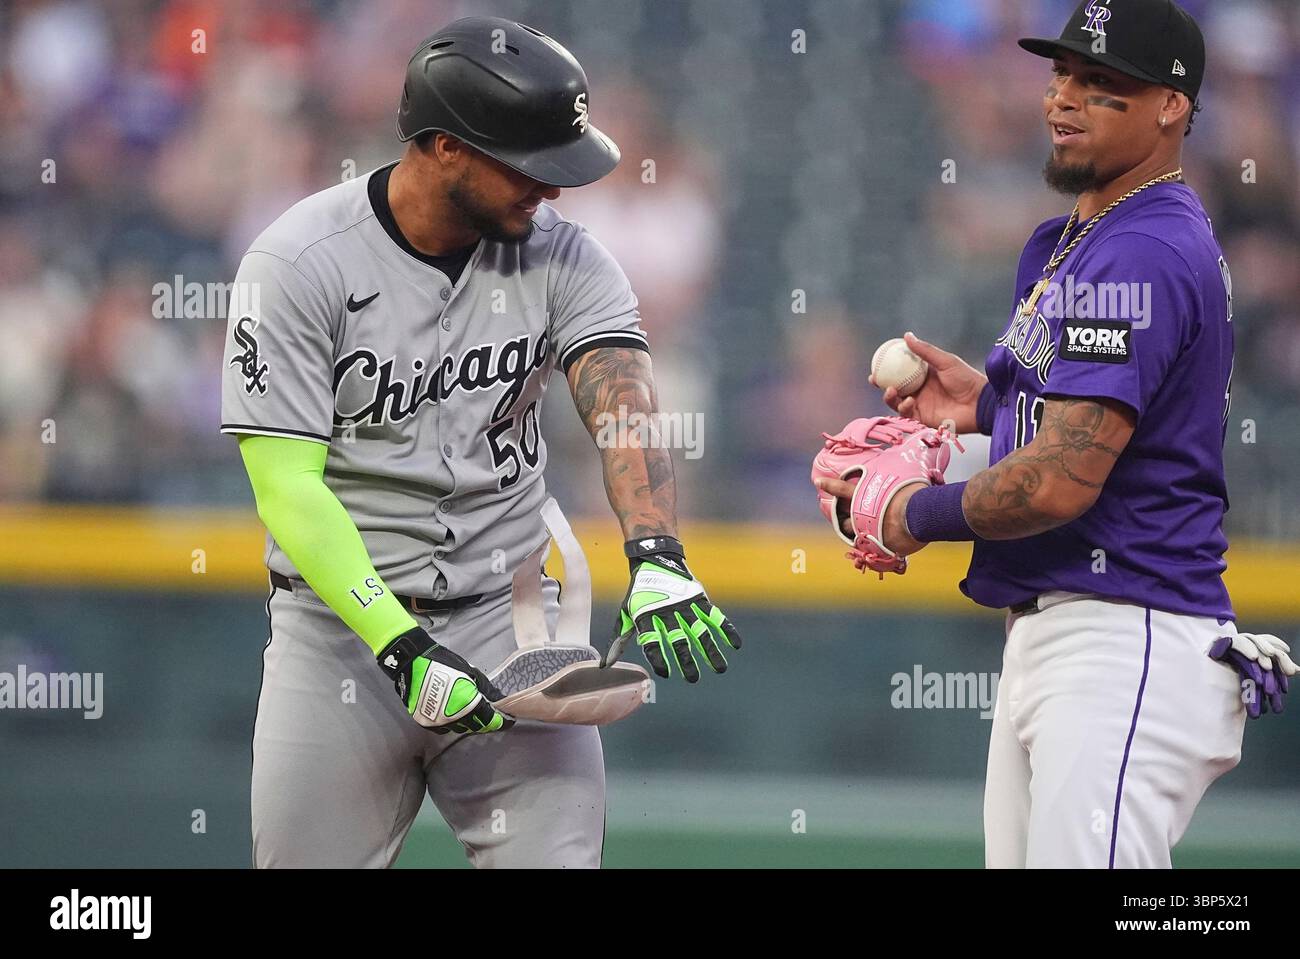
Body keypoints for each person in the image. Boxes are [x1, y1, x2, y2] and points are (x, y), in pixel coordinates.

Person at [220, 16, 741, 869]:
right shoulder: (298, 263)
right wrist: (398, 642)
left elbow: (622, 407)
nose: (554, 190)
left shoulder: (567, 259)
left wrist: (655, 550)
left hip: (508, 627)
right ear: (445, 148)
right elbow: (287, 487)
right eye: (530, 165)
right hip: (339, 636)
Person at [816, 0, 1294, 868]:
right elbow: (1096, 423)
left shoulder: (1144, 248)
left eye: (1101, 83)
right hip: (1062, 635)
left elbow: (1061, 480)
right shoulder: (1074, 239)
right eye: (1061, 73)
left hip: (1125, 638)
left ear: (1170, 106)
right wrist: (990, 404)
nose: (1063, 98)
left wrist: (912, 512)